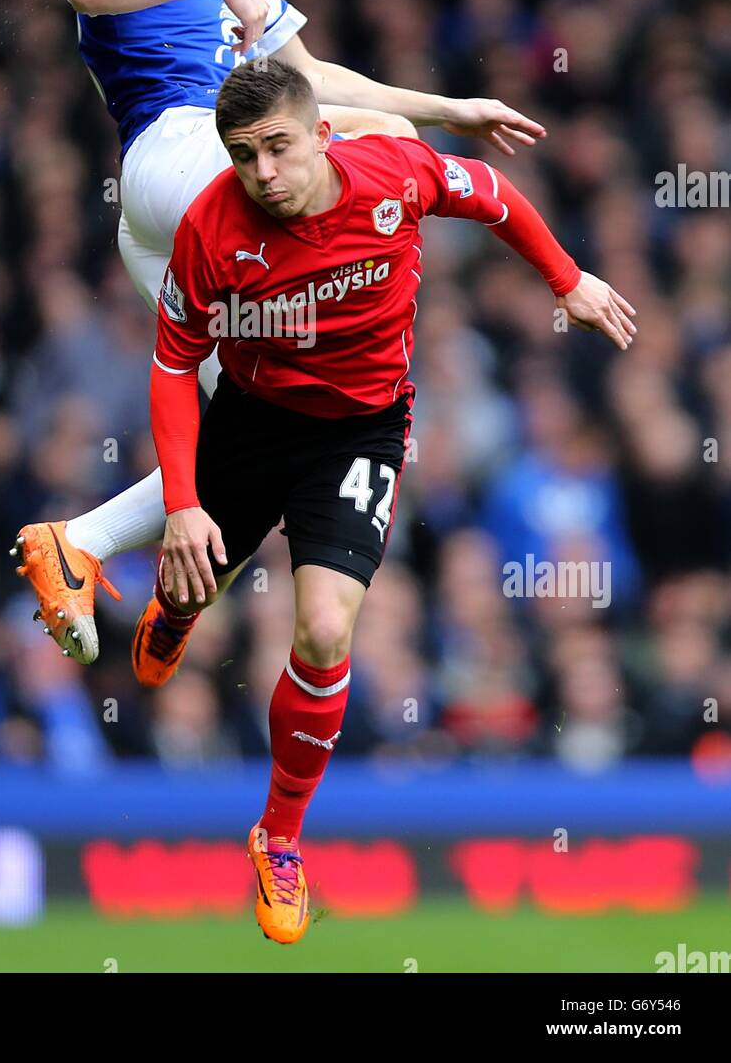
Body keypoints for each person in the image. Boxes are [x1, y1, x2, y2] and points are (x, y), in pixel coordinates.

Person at [13, 0, 550, 663]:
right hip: (177, 156)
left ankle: (77, 544)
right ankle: (370, 327)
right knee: (381, 154)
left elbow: (312, 76)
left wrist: (450, 105)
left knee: (251, 417)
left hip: (178, 214)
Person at [139, 58, 636, 943]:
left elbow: (491, 194)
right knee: (190, 583)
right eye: (243, 155)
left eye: (279, 149)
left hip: (360, 431)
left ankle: (279, 837)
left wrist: (569, 281)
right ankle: (179, 611)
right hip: (254, 419)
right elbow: (176, 362)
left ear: (323, 133)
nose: (263, 174)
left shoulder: (391, 174)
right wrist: (182, 503)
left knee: (327, 630)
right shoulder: (211, 227)